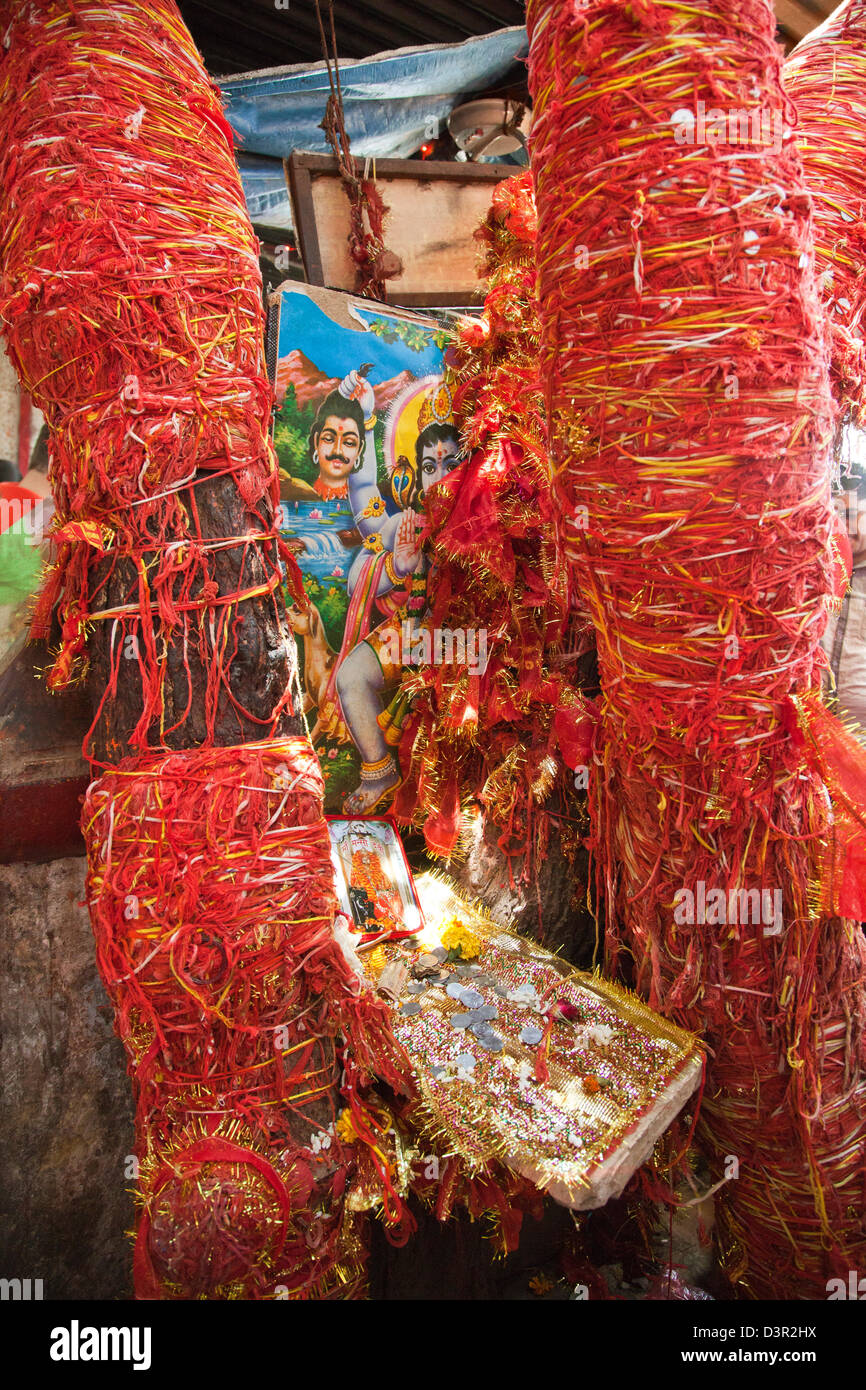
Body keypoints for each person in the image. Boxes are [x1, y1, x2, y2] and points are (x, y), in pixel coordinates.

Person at [333, 389, 461, 813]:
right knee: (351, 677)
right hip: (412, 630)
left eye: (450, 463)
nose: (438, 475)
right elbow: (366, 496)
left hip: (466, 640)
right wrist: (397, 569)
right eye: (429, 465)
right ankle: (379, 768)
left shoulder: (483, 517)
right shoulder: (410, 521)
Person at [307, 366, 376, 502]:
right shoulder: (297, 495)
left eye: (349, 442)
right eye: (328, 439)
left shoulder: (362, 506)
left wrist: (367, 416)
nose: (337, 451)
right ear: (316, 441)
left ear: (360, 449)